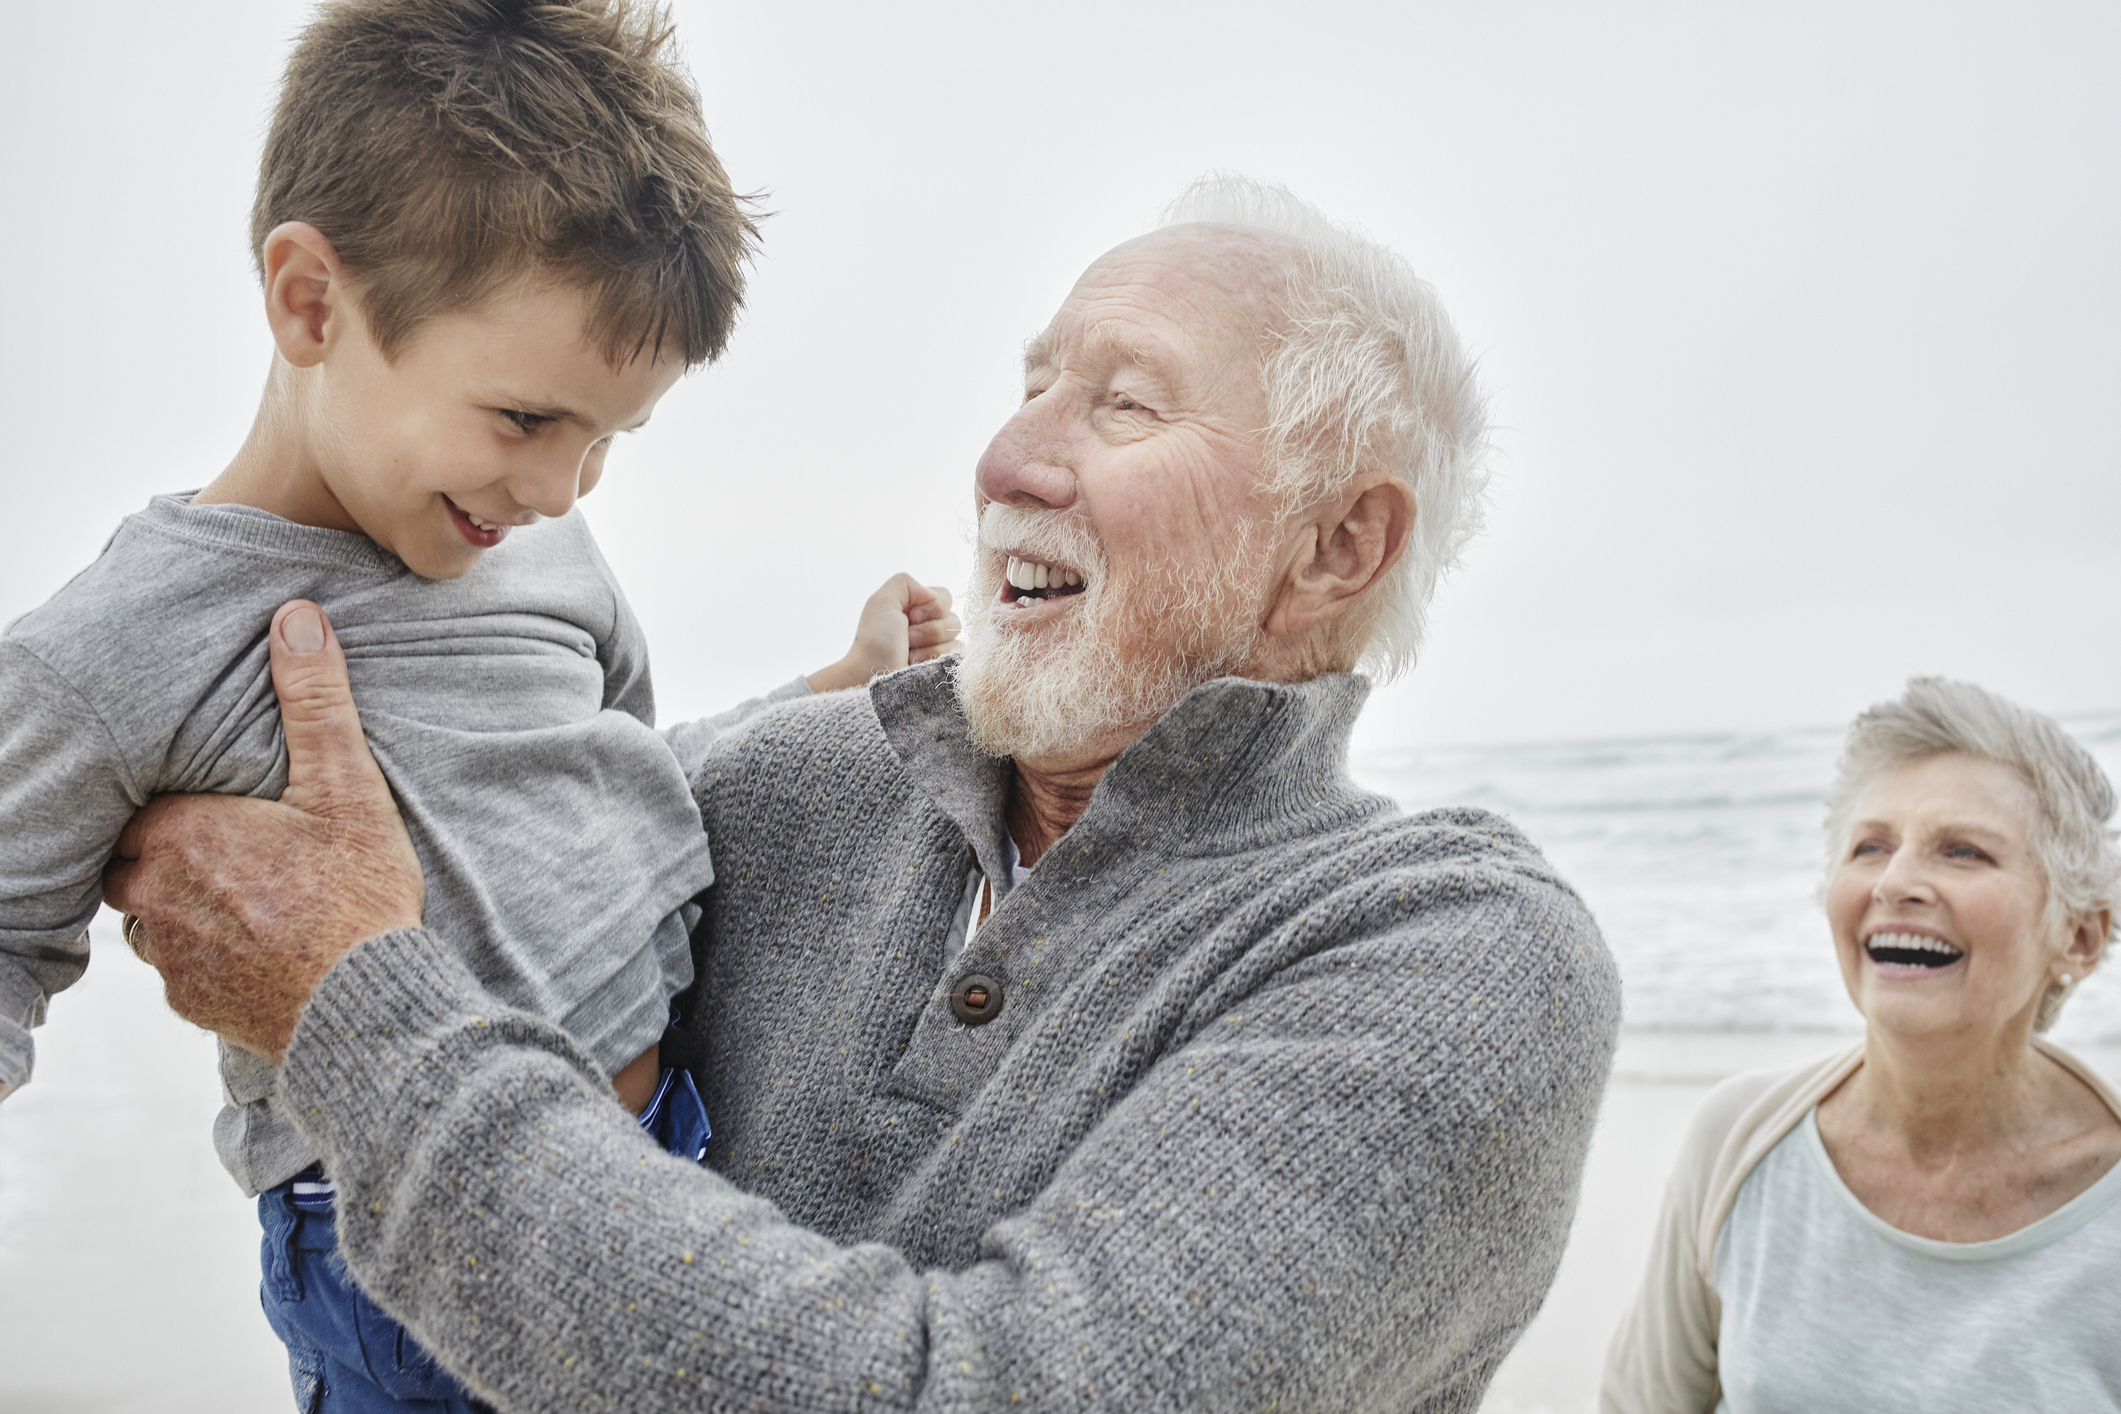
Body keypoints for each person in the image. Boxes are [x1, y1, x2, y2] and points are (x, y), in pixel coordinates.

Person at [109, 178, 1623, 1413]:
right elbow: (435, 841)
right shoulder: (791, 780)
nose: (1006, 455)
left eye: (1124, 405)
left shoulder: (1459, 958)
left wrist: (352, 1006)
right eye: (1032, 384)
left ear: (1336, 548)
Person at [0, 2, 955, 1409]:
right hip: (389, 1245)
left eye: (606, 440)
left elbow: (619, 784)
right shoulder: (119, 643)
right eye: (524, 420)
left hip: (668, 1168)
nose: (563, 489)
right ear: (311, 301)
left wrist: (831, 691)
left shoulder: (535, 542)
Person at [1600, 678, 2121, 1412]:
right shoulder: (1739, 1140)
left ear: (2078, 936)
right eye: (1869, 846)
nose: (1896, 881)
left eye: (1962, 851)